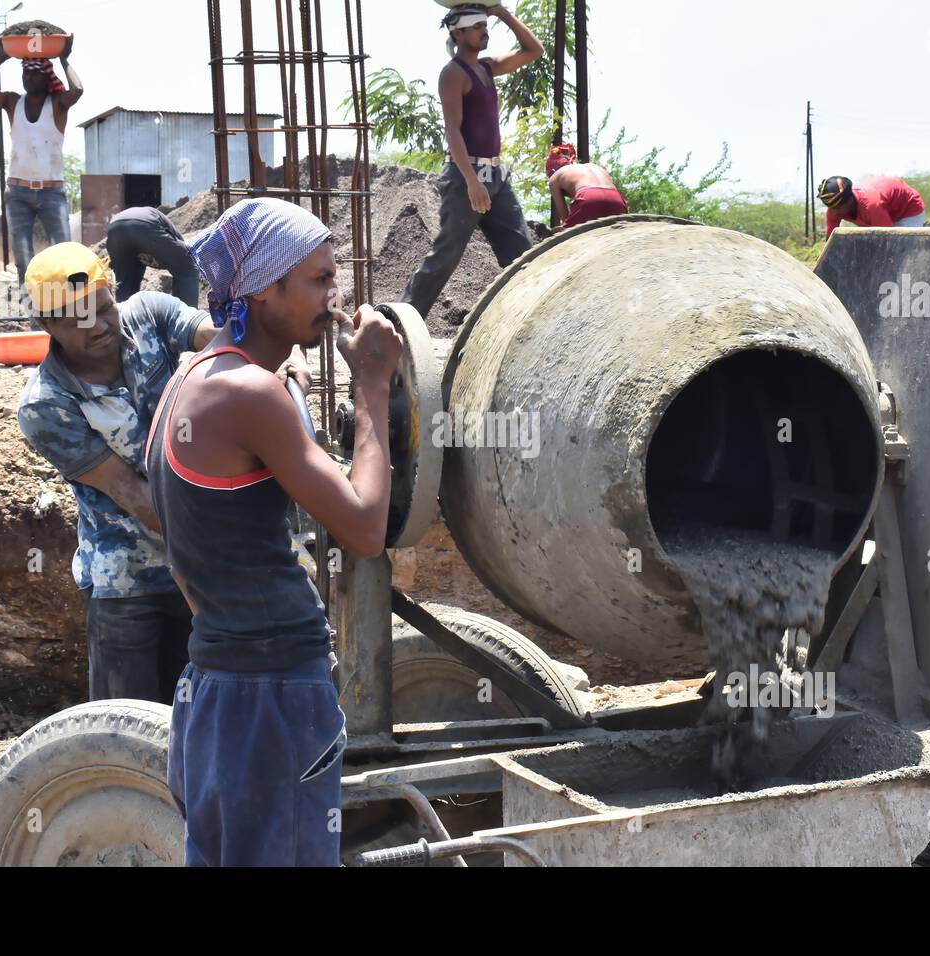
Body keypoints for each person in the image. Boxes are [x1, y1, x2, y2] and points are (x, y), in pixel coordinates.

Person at [146, 198, 402, 867]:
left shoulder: (191, 382)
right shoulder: (250, 396)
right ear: (264, 291)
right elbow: (366, 527)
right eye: (319, 279)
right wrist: (372, 383)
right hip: (271, 699)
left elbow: (189, 554)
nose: (335, 296)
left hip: (213, 689)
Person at [16, 241, 311, 704]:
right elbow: (130, 493)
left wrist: (273, 350)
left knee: (206, 713)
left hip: (202, 572)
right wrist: (233, 540)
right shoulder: (45, 405)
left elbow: (217, 339)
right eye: (77, 319)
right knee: (128, 729)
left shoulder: (148, 314)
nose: (98, 326)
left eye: (102, 308)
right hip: (129, 587)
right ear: (46, 325)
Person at [401, 3, 542, 319]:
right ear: (458, 32)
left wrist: (501, 12)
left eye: (484, 24)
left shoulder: (487, 67)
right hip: (467, 176)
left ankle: (524, 322)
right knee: (446, 257)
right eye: (477, 25)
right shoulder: (453, 74)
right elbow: (453, 131)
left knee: (522, 255)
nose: (484, 30)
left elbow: (534, 50)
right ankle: (399, 325)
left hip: (496, 176)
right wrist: (471, 180)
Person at [0, 39, 84, 312]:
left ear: (46, 78)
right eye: (25, 72)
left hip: (51, 192)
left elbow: (78, 89)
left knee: (63, 252)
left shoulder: (57, 104)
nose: (28, 77)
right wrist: (0, 57)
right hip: (18, 193)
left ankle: (65, 308)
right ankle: (33, 313)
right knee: (23, 257)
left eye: (34, 72)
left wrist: (64, 59)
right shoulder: (12, 102)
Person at [105, 207, 200, 307]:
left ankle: (125, 318)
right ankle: (188, 316)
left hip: (114, 227)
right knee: (187, 267)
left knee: (125, 282)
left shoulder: (144, 250)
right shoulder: (175, 240)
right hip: (145, 223)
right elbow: (184, 261)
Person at [546, 143, 629, 229]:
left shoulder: (554, 177)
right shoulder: (595, 167)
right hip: (616, 199)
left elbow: (565, 217)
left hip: (588, 198)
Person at [819, 175, 926, 238]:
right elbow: (830, 241)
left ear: (849, 200)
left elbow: (888, 238)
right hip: (883, 214)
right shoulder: (833, 210)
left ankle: (907, 277)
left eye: (838, 207)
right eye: (831, 208)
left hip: (908, 209)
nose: (835, 212)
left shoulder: (871, 205)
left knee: (903, 251)